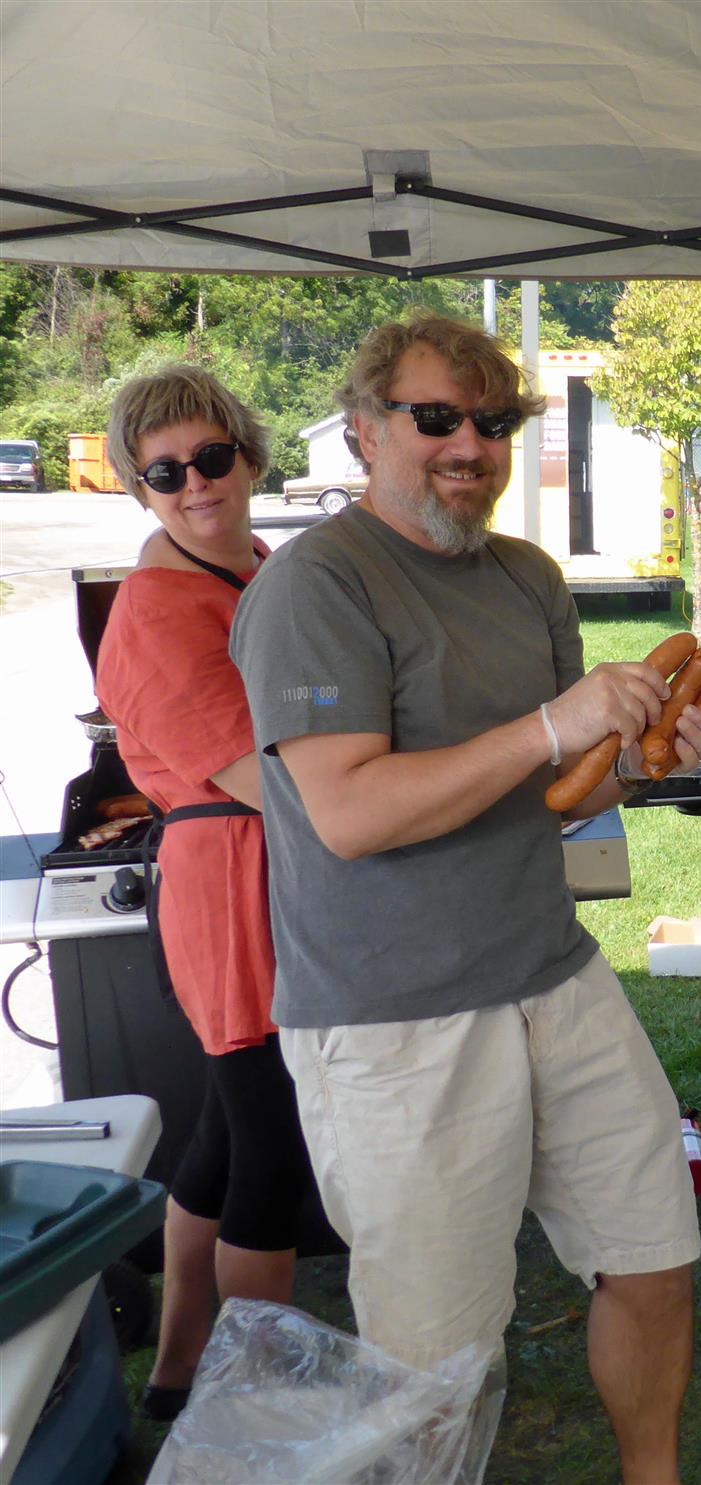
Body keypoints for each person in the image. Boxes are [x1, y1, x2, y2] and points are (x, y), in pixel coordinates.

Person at [231, 312, 701, 1484]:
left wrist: (652, 753)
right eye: (435, 418)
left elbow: (555, 793)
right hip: (396, 1018)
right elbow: (350, 813)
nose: (469, 445)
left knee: (652, 1256)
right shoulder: (318, 586)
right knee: (438, 1350)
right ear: (363, 432)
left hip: (549, 974)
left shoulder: (525, 575)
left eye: (492, 422)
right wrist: (555, 723)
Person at [93, 367, 317, 1422]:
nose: (196, 484)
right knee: (271, 1142)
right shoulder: (155, 606)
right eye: (166, 471)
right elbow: (252, 774)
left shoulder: (253, 568)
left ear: (249, 456)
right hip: (228, 886)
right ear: (140, 485)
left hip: (273, 876)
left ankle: (179, 1373)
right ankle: (255, 1397)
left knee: (225, 1143)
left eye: (213, 459)